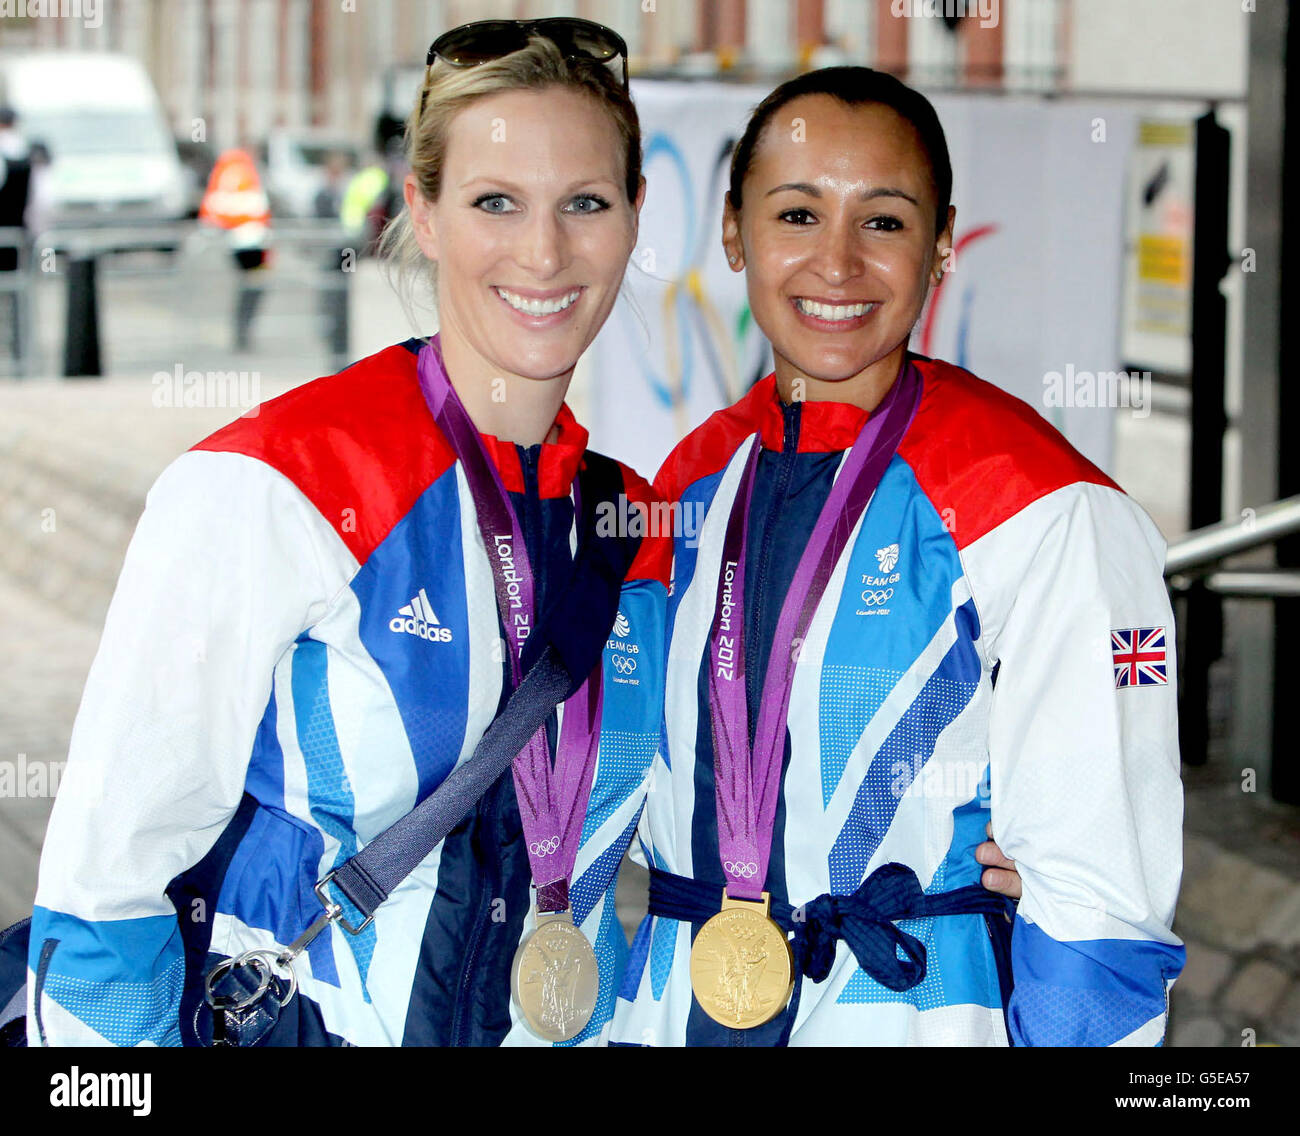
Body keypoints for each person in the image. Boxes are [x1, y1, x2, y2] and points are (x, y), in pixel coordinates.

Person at [23, 22, 668, 1048]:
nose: (543, 251)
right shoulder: (274, 480)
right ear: (422, 210)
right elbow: (110, 869)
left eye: (584, 202)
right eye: (494, 200)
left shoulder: (636, 531)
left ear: (634, 217)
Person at [612, 67, 1184, 1047]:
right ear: (733, 233)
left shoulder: (1043, 505)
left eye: (882, 221)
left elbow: (1101, 904)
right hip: (671, 1009)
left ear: (943, 242)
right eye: (796, 214)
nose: (835, 264)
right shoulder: (688, 481)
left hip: (916, 1009)